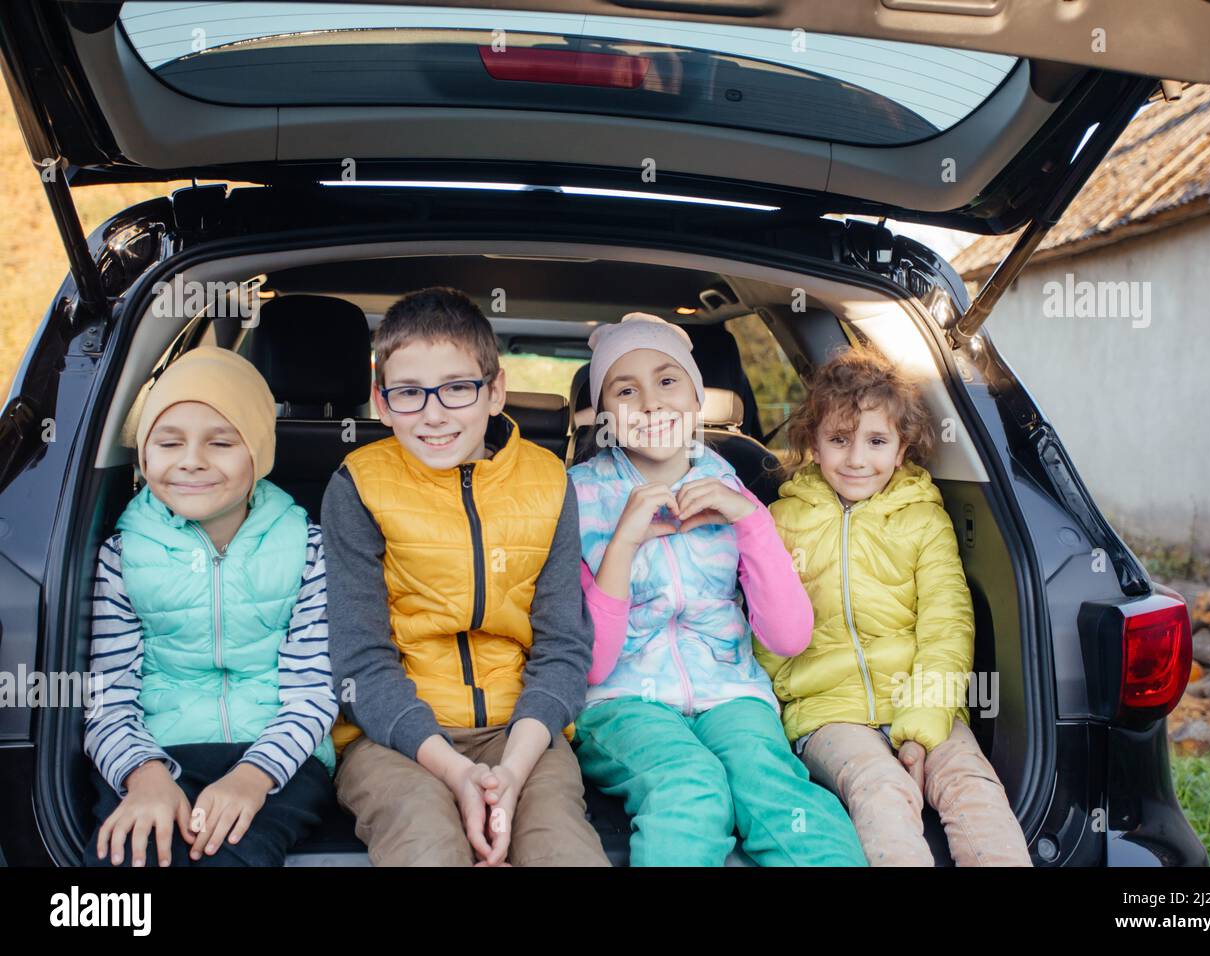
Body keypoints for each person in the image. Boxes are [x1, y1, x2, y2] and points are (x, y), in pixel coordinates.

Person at [568, 312, 867, 867]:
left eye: (667, 381)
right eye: (625, 389)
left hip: (732, 693)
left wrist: (751, 523)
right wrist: (623, 543)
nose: (652, 404)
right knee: (693, 788)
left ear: (696, 394)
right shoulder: (577, 498)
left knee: (783, 798)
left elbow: (789, 636)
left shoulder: (735, 483)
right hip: (622, 702)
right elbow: (592, 664)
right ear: (604, 411)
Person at [323, 286, 608, 866]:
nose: (433, 413)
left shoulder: (550, 482)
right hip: (392, 737)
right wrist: (456, 773)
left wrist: (509, 772)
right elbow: (359, 660)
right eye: (408, 393)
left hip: (523, 731)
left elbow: (563, 648)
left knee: (564, 849)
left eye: (457, 388)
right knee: (423, 843)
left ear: (495, 391)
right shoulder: (358, 485)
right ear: (381, 402)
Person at [757, 345, 1031, 866]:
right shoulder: (780, 522)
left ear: (902, 449)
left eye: (876, 441)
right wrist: (765, 722)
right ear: (813, 445)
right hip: (826, 714)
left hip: (924, 699)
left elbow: (947, 624)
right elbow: (763, 631)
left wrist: (923, 723)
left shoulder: (924, 519)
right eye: (839, 440)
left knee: (973, 787)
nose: (857, 459)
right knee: (881, 790)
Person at [83, 347, 338, 867]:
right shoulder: (122, 556)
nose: (192, 459)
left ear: (259, 454)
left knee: (228, 854)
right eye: (168, 442)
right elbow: (106, 698)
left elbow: (314, 692)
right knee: (123, 859)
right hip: (154, 753)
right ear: (144, 456)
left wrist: (252, 777)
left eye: (220, 442)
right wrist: (145, 776)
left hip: (279, 758)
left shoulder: (309, 549)